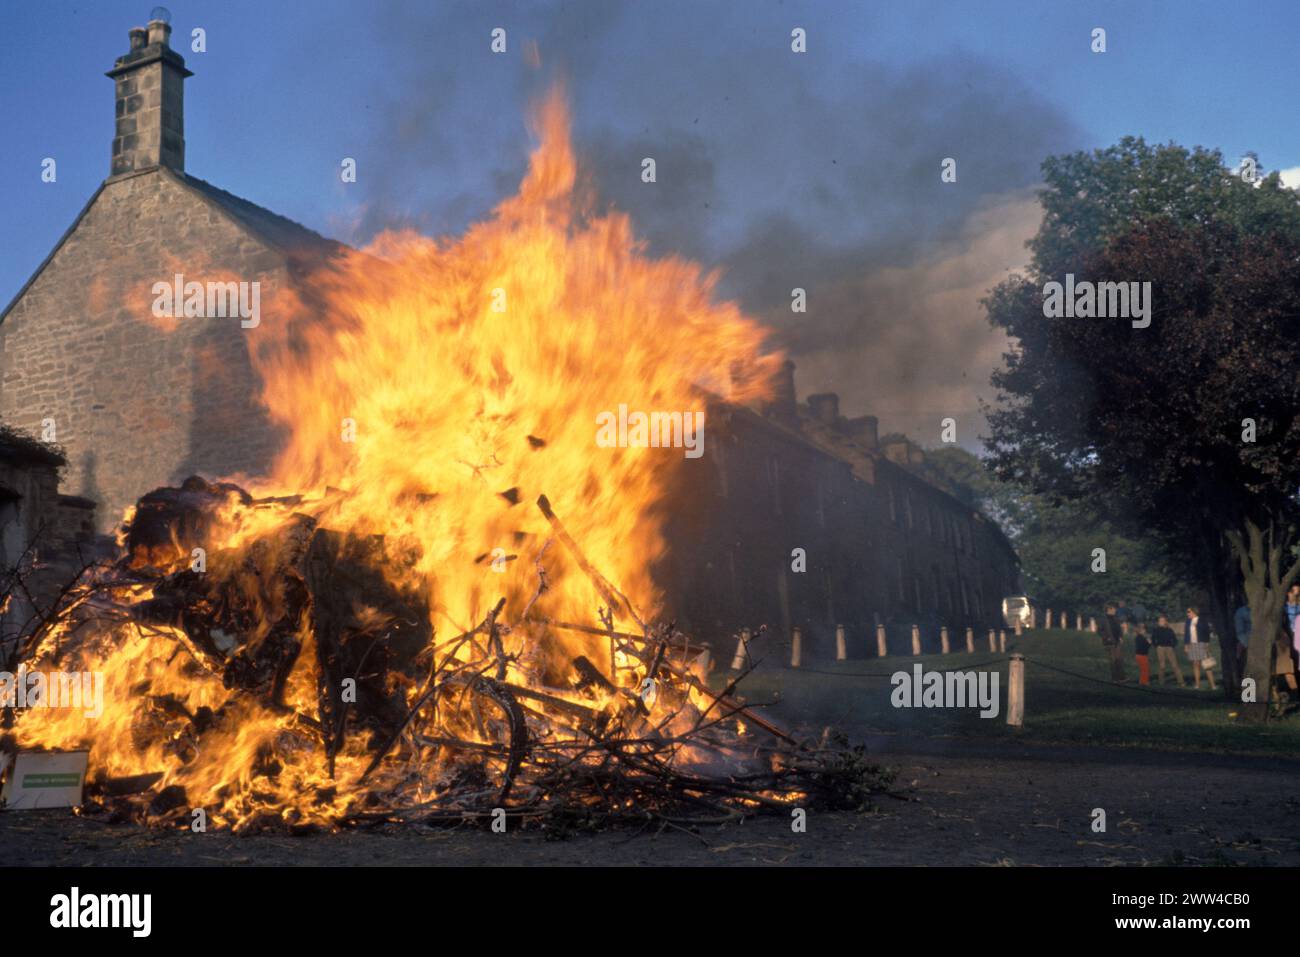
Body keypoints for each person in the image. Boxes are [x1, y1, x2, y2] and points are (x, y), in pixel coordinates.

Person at [1184, 604, 1216, 691]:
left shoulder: (1202, 620)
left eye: (1189, 612)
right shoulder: (1188, 621)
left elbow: (1207, 632)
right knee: (1196, 665)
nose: (1187, 613)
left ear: (1194, 612)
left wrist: (1207, 644)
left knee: (1207, 665)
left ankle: (1213, 685)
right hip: (1193, 645)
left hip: (1201, 644)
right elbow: (1186, 634)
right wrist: (1186, 645)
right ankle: (1197, 685)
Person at [1151, 614, 1184, 687]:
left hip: (1169, 649)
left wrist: (1172, 646)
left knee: (1175, 665)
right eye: (1159, 621)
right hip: (1160, 649)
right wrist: (1157, 646)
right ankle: (1161, 682)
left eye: (1162, 621)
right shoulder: (1156, 630)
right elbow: (1153, 639)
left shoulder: (1169, 630)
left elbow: (1175, 640)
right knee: (1162, 666)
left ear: (1166, 622)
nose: (1161, 622)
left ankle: (1181, 682)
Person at [1100, 602, 1127, 682]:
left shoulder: (1115, 618)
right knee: (1113, 660)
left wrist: (1121, 637)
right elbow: (1100, 631)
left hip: (1117, 641)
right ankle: (1115, 678)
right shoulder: (1104, 619)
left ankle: (1122, 677)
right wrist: (1106, 637)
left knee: (1119, 659)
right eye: (1114, 608)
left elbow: (1119, 629)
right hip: (1110, 642)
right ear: (1109, 609)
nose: (1115, 610)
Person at [1233, 602, 1251, 680]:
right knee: (1247, 670)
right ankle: (1248, 690)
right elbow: (1240, 632)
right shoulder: (1242, 612)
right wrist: (1246, 644)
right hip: (1247, 644)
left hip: (1262, 643)